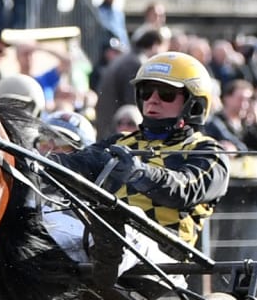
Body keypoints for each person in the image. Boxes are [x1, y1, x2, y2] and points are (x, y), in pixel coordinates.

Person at [50, 52, 231, 271]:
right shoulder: (119, 142)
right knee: (47, 219)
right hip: (102, 236)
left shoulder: (207, 151)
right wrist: (36, 161)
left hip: (163, 254)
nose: (153, 99)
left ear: (193, 103)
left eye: (166, 93)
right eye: (146, 92)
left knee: (127, 216)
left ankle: (107, 254)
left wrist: (140, 173)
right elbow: (75, 164)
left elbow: (186, 188)